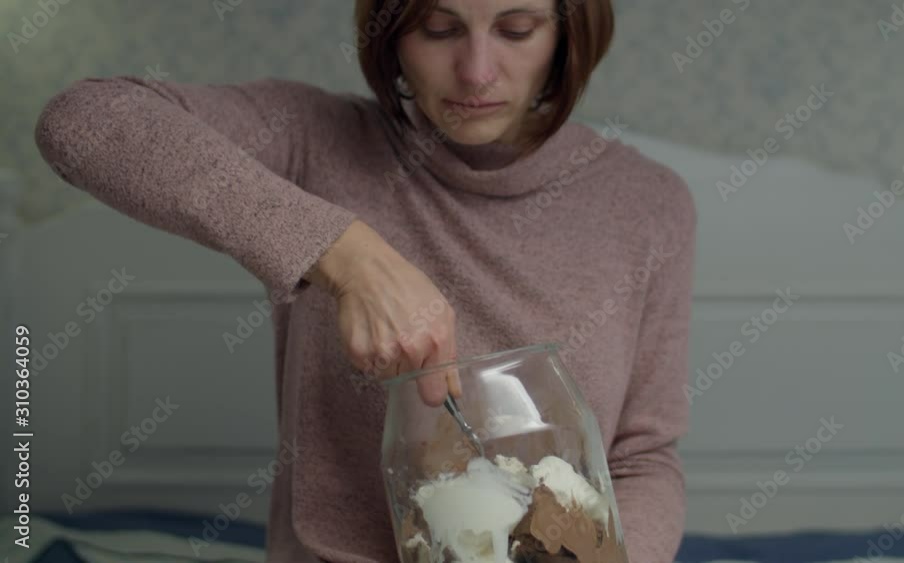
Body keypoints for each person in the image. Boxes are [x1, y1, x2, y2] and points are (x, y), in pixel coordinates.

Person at [33, 0, 696, 560]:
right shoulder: (313, 139)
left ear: (568, 34)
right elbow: (84, 122)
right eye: (438, 28)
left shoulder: (649, 205)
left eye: (517, 29)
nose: (477, 70)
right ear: (391, 33)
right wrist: (342, 252)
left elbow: (643, 454)